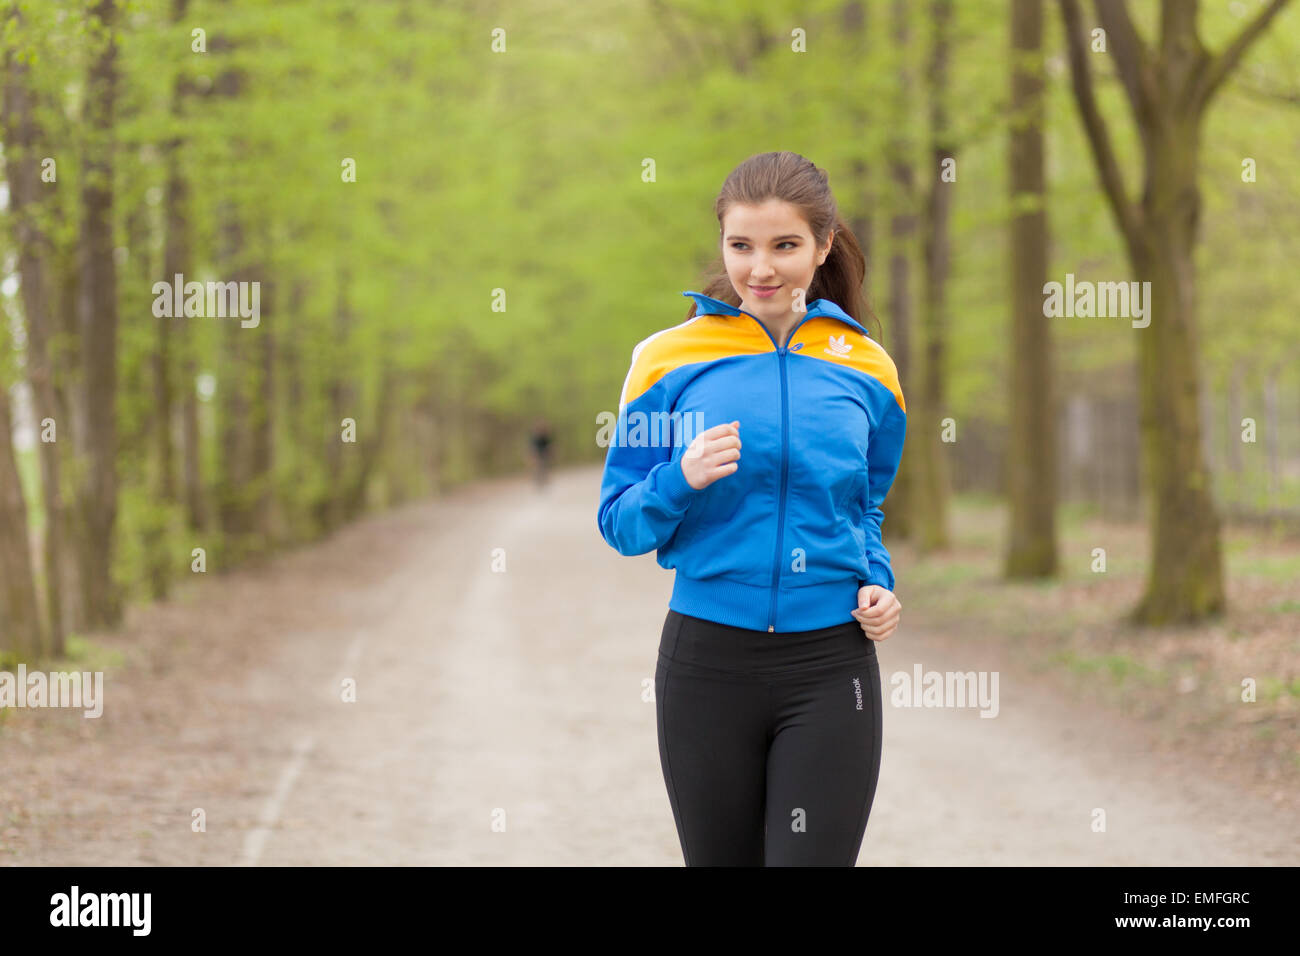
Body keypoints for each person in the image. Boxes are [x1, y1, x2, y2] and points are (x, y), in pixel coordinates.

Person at [596, 151, 906, 866]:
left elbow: (865, 509)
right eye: (741, 246)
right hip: (708, 663)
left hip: (830, 665)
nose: (760, 268)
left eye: (785, 245)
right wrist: (681, 476)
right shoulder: (666, 361)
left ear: (824, 247)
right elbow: (620, 522)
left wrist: (878, 583)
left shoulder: (867, 367)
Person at [529, 417, 553, 488]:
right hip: (537, 450)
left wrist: (550, 451)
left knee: (544, 464)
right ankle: (538, 479)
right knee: (538, 464)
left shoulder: (546, 434)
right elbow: (532, 446)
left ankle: (544, 478)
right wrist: (532, 454)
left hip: (543, 450)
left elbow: (549, 444)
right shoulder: (534, 435)